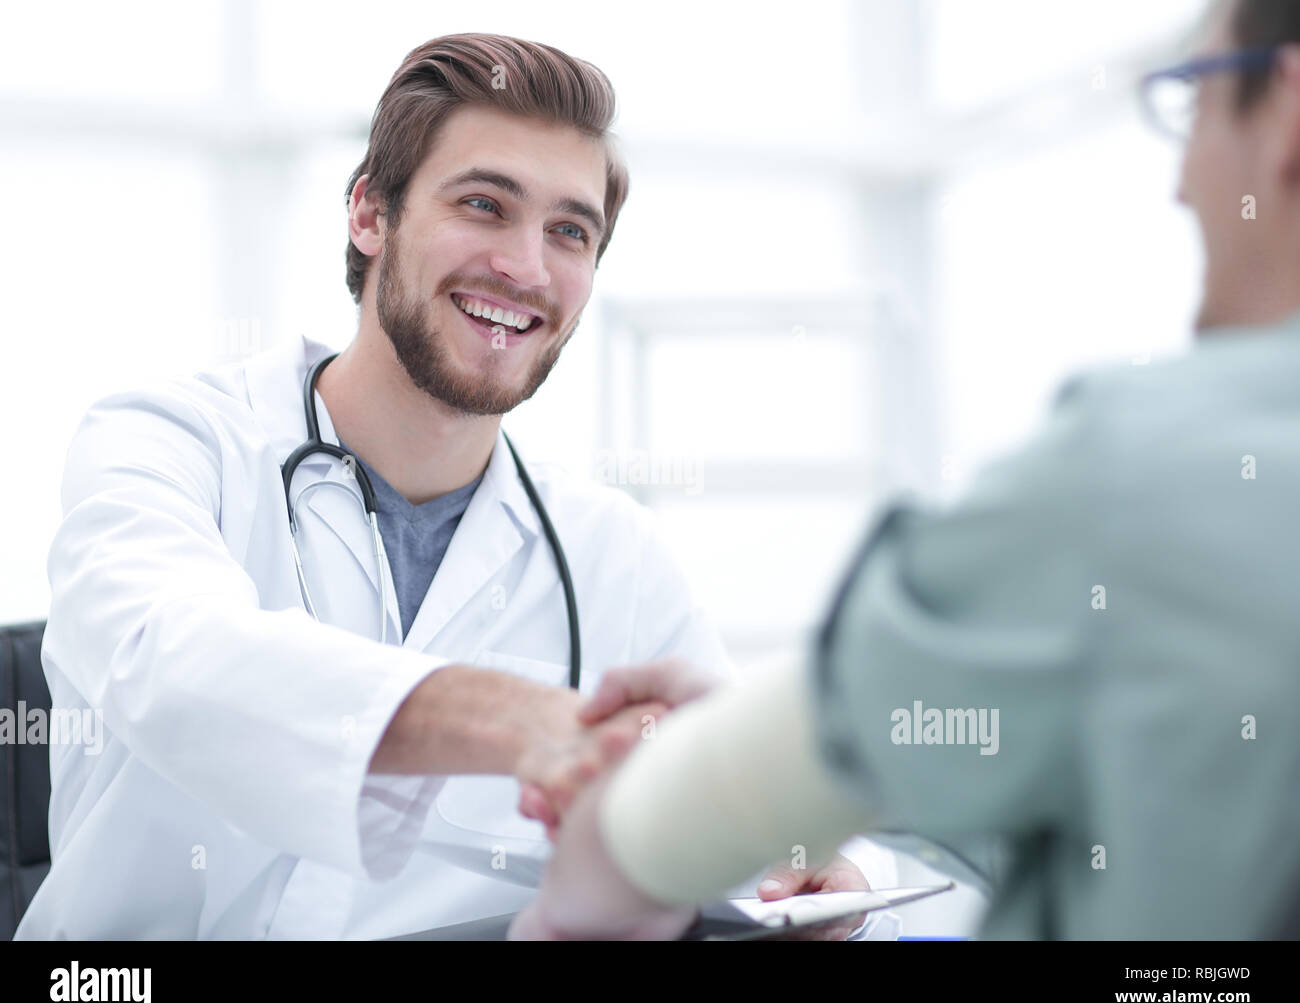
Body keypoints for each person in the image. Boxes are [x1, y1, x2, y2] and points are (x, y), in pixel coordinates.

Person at [15, 33, 892, 940]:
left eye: (570, 230)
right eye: (483, 204)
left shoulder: (609, 551)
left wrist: (827, 868)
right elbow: (174, 658)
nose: (526, 268)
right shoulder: (166, 443)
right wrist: (524, 723)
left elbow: (743, 797)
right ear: (369, 214)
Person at [509, 0, 1300, 941]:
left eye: (1193, 103)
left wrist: (596, 875)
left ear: (1285, 113)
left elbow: (704, 806)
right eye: (484, 204)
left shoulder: (1149, 466)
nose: (1180, 184)